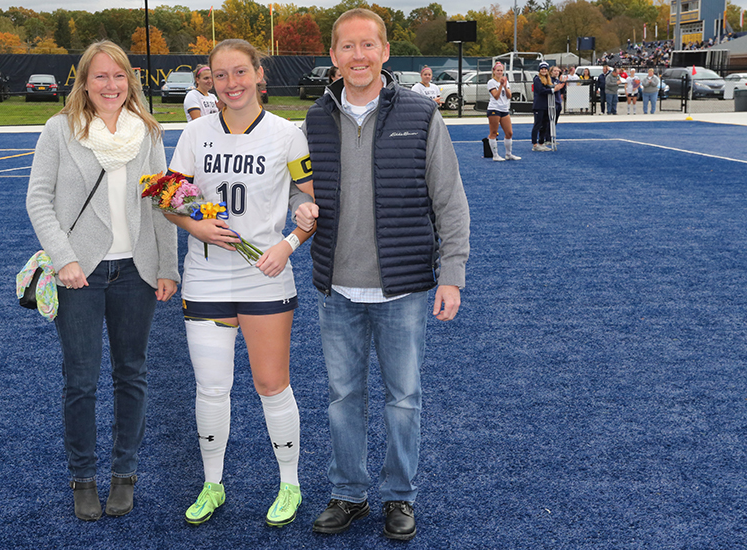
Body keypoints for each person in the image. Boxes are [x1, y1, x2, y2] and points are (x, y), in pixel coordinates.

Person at [296, 9, 469, 541]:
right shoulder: (314, 120)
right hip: (337, 287)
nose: (358, 56)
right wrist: (297, 209)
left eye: (367, 45)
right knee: (343, 399)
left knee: (404, 398)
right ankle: (349, 493)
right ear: (333, 57)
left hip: (405, 286)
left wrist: (453, 272)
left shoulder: (421, 114)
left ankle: (400, 497)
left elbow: (449, 198)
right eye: (347, 47)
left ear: (385, 51)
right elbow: (300, 188)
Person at [25, 40, 179, 522]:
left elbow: (164, 202)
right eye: (100, 77)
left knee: (131, 374)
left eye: (119, 77)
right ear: (84, 83)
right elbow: (39, 201)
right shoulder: (59, 131)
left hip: (137, 271)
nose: (110, 86)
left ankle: (124, 476)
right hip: (81, 275)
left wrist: (167, 266)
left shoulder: (147, 131)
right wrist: (65, 258)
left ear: (129, 81)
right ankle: (84, 479)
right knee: (82, 380)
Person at [165, 38, 315, 528]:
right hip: (206, 276)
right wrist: (196, 226)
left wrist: (289, 243)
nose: (231, 83)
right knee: (211, 388)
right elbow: (168, 197)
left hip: (264, 275)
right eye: (220, 75)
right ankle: (212, 484)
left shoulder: (287, 135)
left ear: (258, 74)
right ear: (208, 80)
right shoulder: (194, 133)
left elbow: (309, 204)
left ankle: (289, 483)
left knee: (272, 384)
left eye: (240, 72)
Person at [486, 62, 519, 161]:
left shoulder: (505, 81)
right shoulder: (491, 82)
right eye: (498, 70)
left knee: (509, 133)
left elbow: (509, 96)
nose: (500, 72)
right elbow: (496, 96)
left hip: (504, 109)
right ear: (494, 71)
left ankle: (508, 154)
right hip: (494, 109)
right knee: (494, 132)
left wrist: (504, 85)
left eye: (501, 70)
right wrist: (500, 86)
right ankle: (495, 155)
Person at [531, 62, 561, 151]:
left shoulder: (548, 79)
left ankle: (541, 142)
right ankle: (535, 144)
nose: (543, 70)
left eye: (545, 69)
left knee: (545, 124)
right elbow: (541, 90)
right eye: (542, 69)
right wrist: (552, 90)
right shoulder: (537, 79)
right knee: (537, 124)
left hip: (547, 105)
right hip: (539, 105)